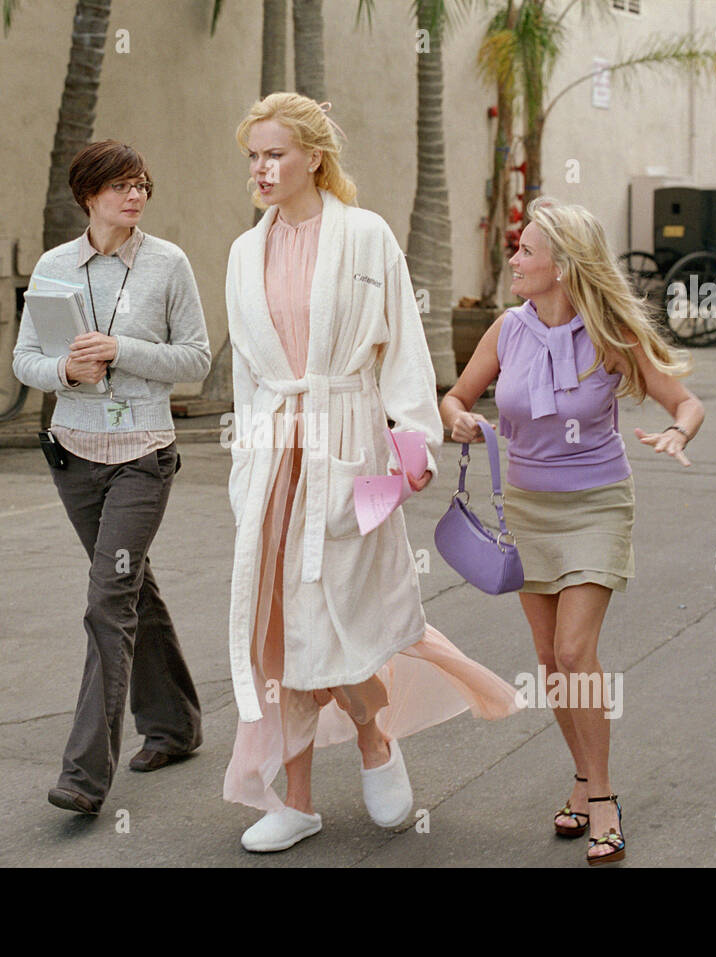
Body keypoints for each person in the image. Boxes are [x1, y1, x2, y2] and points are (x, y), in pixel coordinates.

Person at [223, 93, 522, 854]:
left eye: (275, 154)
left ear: (313, 157)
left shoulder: (366, 236)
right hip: (276, 461)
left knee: (347, 623)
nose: (262, 169)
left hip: (351, 450)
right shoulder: (243, 252)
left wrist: (413, 440)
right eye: (254, 156)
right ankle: (295, 801)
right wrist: (247, 461)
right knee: (279, 636)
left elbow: (404, 349)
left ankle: (373, 734)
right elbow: (249, 376)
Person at [439, 197, 706, 864]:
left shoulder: (610, 334)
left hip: (596, 505)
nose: (514, 259)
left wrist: (678, 432)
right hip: (527, 508)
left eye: (526, 250)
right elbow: (456, 396)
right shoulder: (507, 329)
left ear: (561, 266)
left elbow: (685, 400)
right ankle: (583, 779)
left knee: (574, 650)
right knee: (550, 659)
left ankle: (604, 796)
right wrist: (458, 418)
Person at [13, 140, 211, 815]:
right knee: (131, 589)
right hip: (74, 456)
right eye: (122, 185)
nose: (136, 196)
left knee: (107, 601)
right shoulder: (53, 267)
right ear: (88, 195)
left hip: (142, 456)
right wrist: (65, 371)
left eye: (142, 184)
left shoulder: (167, 263)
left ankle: (84, 775)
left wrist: (121, 348)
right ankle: (176, 725)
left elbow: (196, 357)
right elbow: (25, 360)